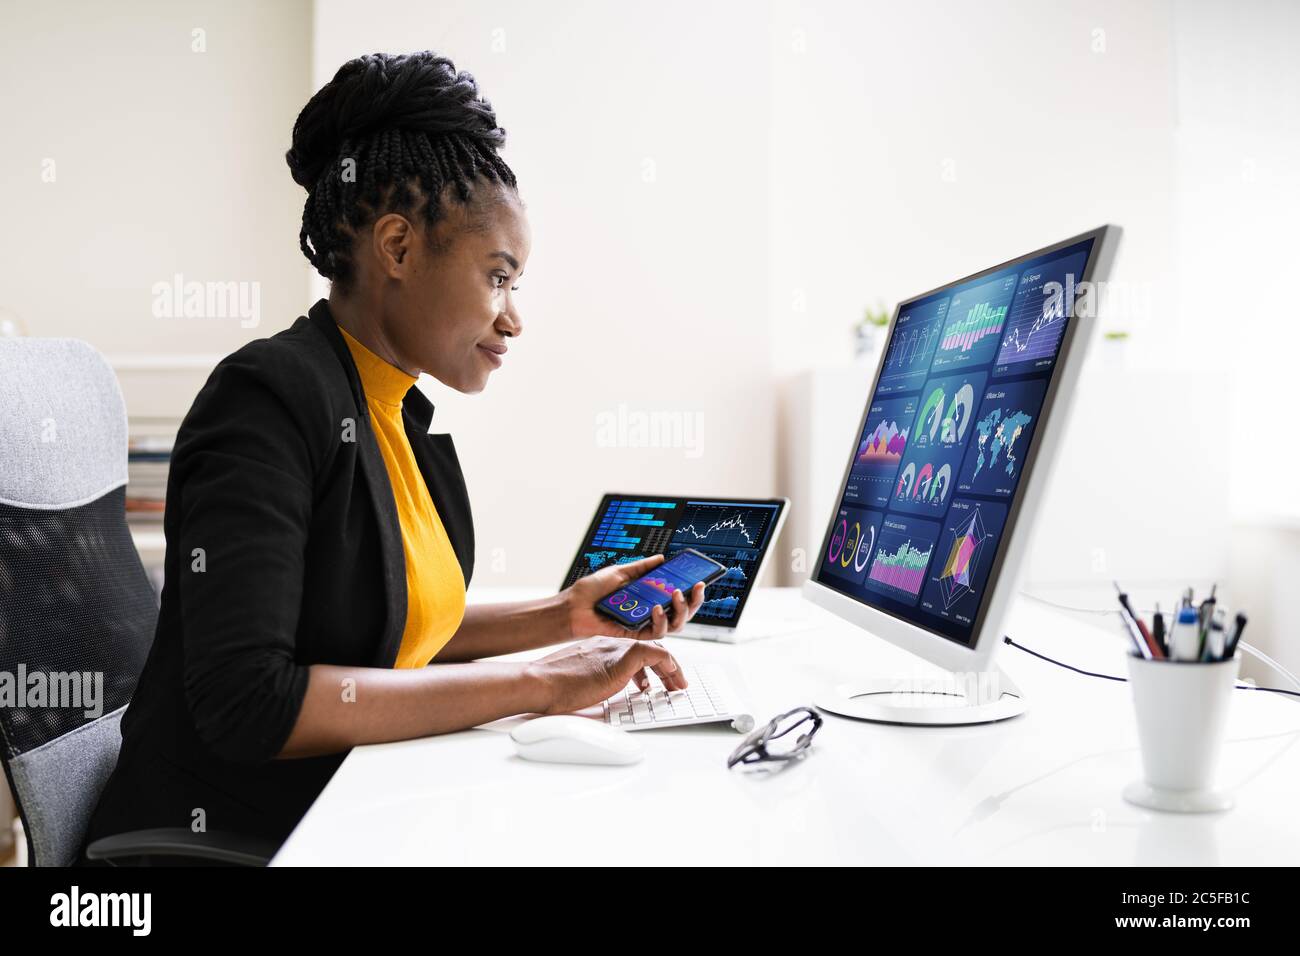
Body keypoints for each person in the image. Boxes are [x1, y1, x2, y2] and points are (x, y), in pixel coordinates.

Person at [82, 51, 704, 860]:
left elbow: (374, 634)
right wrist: (544, 682)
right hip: (231, 839)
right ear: (399, 247)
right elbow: (249, 702)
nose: (513, 318)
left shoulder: (390, 412)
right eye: (499, 277)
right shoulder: (267, 398)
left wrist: (563, 618)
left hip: (355, 808)